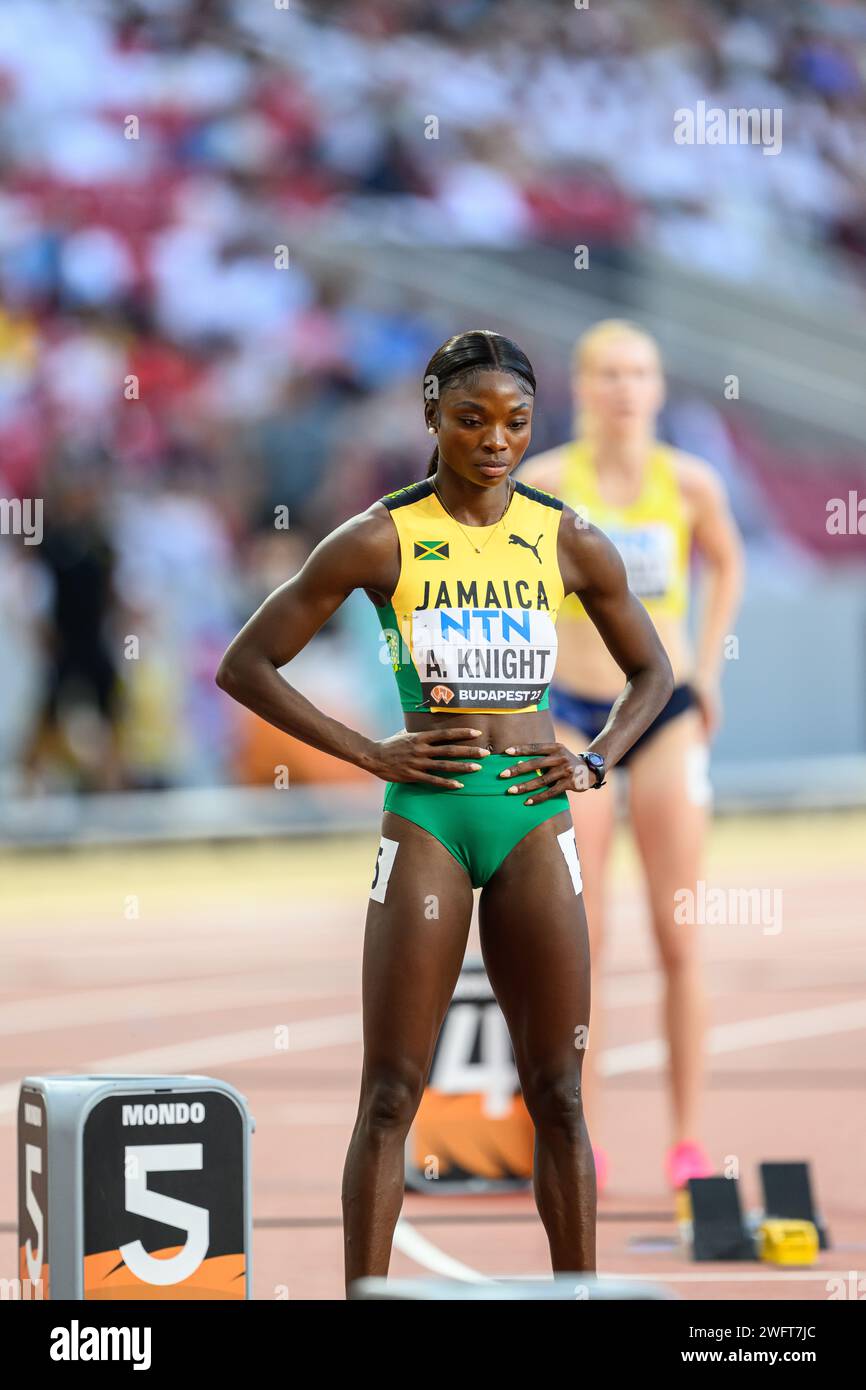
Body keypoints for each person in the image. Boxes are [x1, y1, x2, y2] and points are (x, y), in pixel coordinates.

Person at [215, 329, 673, 1291]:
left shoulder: (566, 536)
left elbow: (653, 672)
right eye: (471, 419)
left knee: (560, 1095)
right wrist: (367, 752)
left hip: (533, 819)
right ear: (431, 415)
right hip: (429, 817)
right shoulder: (379, 536)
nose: (496, 440)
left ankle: (577, 1298)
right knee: (391, 1095)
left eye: (516, 422)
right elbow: (246, 664)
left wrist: (595, 761)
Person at [518, 319, 744, 1194]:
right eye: (608, 373)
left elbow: (728, 564)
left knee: (678, 933)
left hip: (666, 712)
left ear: (658, 387)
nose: (624, 388)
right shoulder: (544, 486)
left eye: (639, 373)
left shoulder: (688, 483)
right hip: (574, 718)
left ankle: (688, 1142)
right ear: (582, 387)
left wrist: (711, 663)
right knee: (583, 938)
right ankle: (583, 1136)